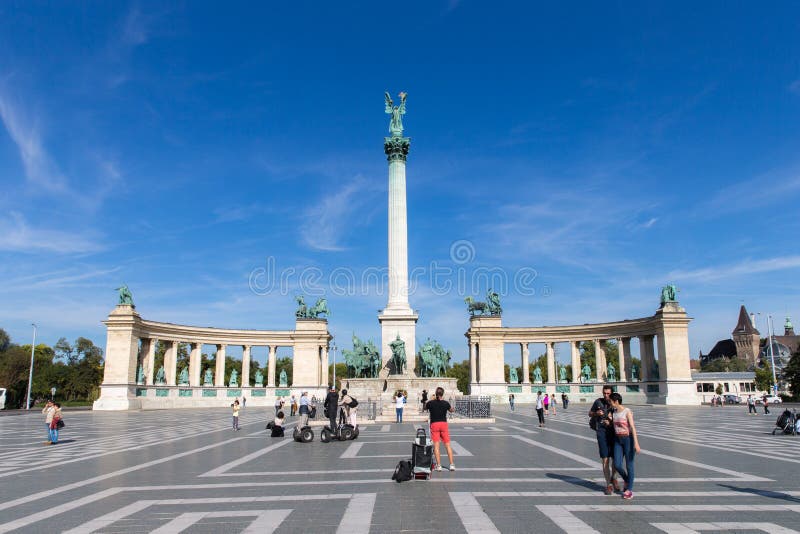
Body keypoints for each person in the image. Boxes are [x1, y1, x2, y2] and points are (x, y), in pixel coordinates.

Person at [589, 385, 620, 495]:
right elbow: (590, 413)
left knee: (616, 459)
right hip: (602, 433)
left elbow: (622, 416)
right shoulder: (598, 402)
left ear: (611, 393)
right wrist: (596, 413)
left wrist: (611, 421)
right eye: (604, 393)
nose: (606, 395)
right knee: (605, 459)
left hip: (614, 433)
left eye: (608, 393)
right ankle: (608, 485)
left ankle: (614, 477)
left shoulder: (615, 403)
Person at [608, 392, 640, 500]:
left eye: (611, 402)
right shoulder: (614, 412)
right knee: (617, 464)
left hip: (628, 439)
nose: (610, 404)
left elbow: (632, 427)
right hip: (618, 440)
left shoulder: (627, 411)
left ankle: (629, 490)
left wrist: (636, 443)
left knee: (629, 465)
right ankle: (627, 479)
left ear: (616, 401)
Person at [426, 386, 456, 471]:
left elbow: (425, 407)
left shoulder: (431, 403)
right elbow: (451, 410)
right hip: (443, 424)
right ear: (442, 394)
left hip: (435, 424)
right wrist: (452, 408)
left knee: (436, 446)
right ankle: (451, 464)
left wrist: (430, 399)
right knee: (447, 445)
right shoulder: (446, 403)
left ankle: (439, 465)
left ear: (436, 394)